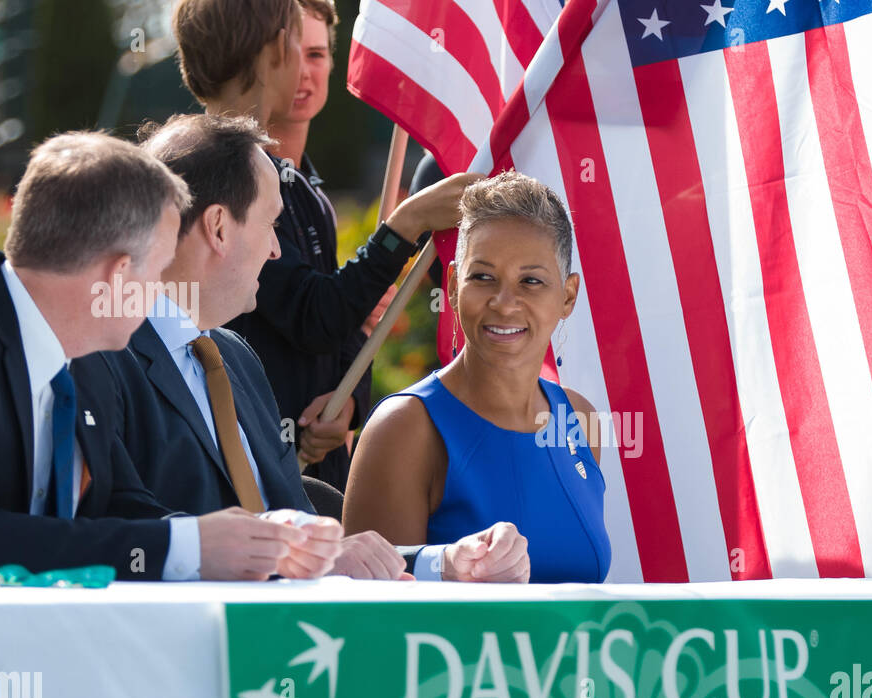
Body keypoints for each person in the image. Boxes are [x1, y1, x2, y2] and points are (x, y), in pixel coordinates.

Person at [79, 113, 529, 583]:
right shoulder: (97, 359)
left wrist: (447, 563)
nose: (276, 249)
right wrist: (279, 550)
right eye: (271, 224)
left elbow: (308, 545)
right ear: (218, 228)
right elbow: (114, 531)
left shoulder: (235, 358)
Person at [0, 131, 339, 582]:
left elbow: (118, 508)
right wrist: (188, 546)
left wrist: (254, 538)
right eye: (160, 266)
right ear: (119, 271)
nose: (166, 292)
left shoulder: (82, 354)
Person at [172, 0, 480, 491]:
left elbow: (351, 327)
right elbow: (317, 313)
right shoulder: (210, 177)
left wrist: (348, 402)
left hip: (310, 476)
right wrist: (407, 223)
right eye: (298, 48)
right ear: (275, 53)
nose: (305, 69)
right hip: (244, 471)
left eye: (319, 54)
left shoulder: (308, 193)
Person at [344, 172, 609, 584]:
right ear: (452, 286)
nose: (505, 304)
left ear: (568, 296)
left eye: (531, 281)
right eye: (482, 277)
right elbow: (371, 622)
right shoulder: (404, 428)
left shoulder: (580, 418)